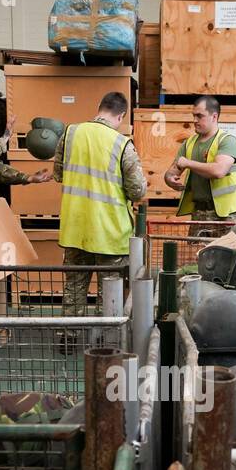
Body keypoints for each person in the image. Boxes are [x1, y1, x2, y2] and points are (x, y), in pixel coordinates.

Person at [54, 91, 146, 326]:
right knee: (110, 290)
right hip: (109, 232)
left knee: (74, 285)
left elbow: (58, 173)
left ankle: (68, 337)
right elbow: (137, 191)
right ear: (121, 115)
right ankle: (104, 340)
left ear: (100, 107)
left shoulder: (70, 133)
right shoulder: (121, 143)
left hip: (75, 228)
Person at [163, 95, 236, 235]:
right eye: (193, 116)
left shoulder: (227, 141)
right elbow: (172, 172)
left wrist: (188, 163)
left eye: (200, 116)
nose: (194, 120)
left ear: (214, 117)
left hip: (225, 216)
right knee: (197, 256)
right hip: (198, 213)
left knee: (225, 256)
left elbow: (218, 171)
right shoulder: (189, 143)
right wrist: (169, 179)